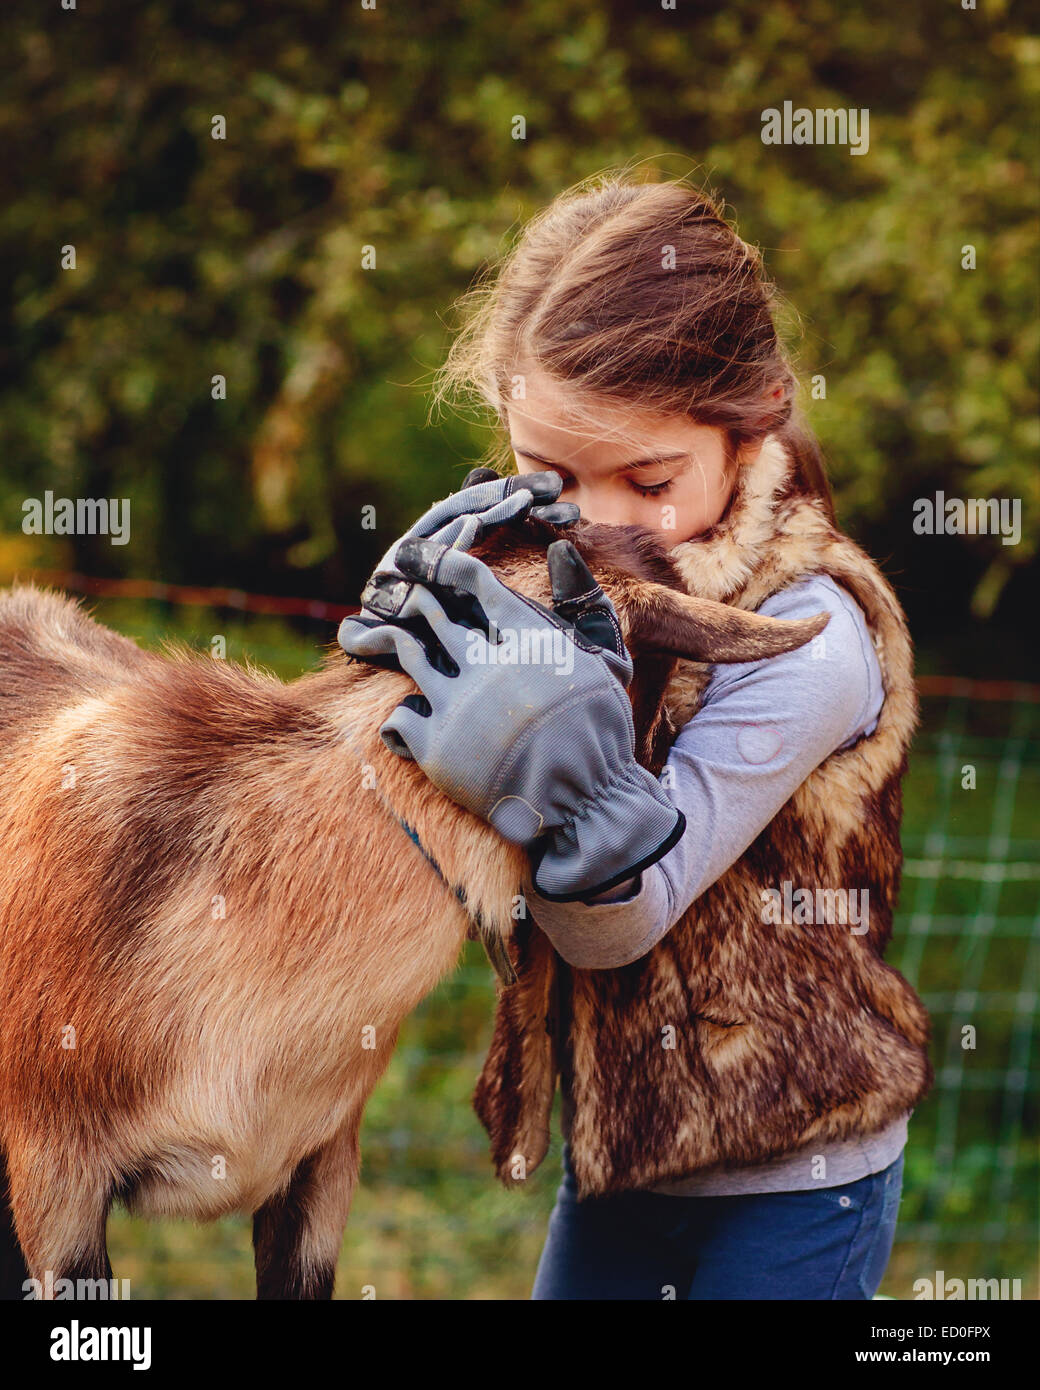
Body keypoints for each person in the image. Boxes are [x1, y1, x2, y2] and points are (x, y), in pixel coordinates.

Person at [338, 172, 933, 1300]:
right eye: (550, 475)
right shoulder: (532, 577)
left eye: (647, 479)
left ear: (753, 418)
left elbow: (617, 925)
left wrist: (551, 780)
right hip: (618, 1160)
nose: (596, 520)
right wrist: (387, 683)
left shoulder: (805, 636)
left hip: (793, 1181)